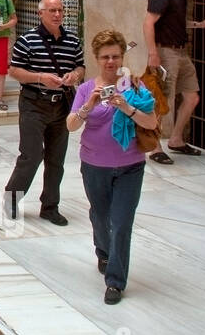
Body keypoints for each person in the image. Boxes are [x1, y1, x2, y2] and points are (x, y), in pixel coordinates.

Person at [66, 29, 158, 304]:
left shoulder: (136, 87)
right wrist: (89, 105)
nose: (111, 62)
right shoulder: (85, 89)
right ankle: (103, 251)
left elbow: (151, 123)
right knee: (100, 216)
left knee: (121, 224)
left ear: (122, 57)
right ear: (97, 58)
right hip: (95, 165)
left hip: (130, 165)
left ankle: (115, 282)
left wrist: (126, 107)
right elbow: (71, 125)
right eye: (105, 57)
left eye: (115, 56)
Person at [3, 0, 85, 225]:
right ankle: (11, 197)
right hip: (33, 103)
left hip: (61, 105)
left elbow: (80, 65)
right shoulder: (27, 40)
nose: (57, 14)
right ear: (41, 14)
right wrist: (40, 77)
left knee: (56, 158)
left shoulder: (72, 41)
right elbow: (14, 71)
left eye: (60, 10)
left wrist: (74, 75)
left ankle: (50, 206)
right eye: (52, 11)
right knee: (31, 155)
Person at [143, 0, 205, 164]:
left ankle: (176, 139)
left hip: (180, 52)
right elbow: (149, 23)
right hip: (165, 52)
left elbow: (175, 22)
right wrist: (153, 53)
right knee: (162, 99)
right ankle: (155, 146)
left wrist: (199, 25)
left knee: (192, 96)